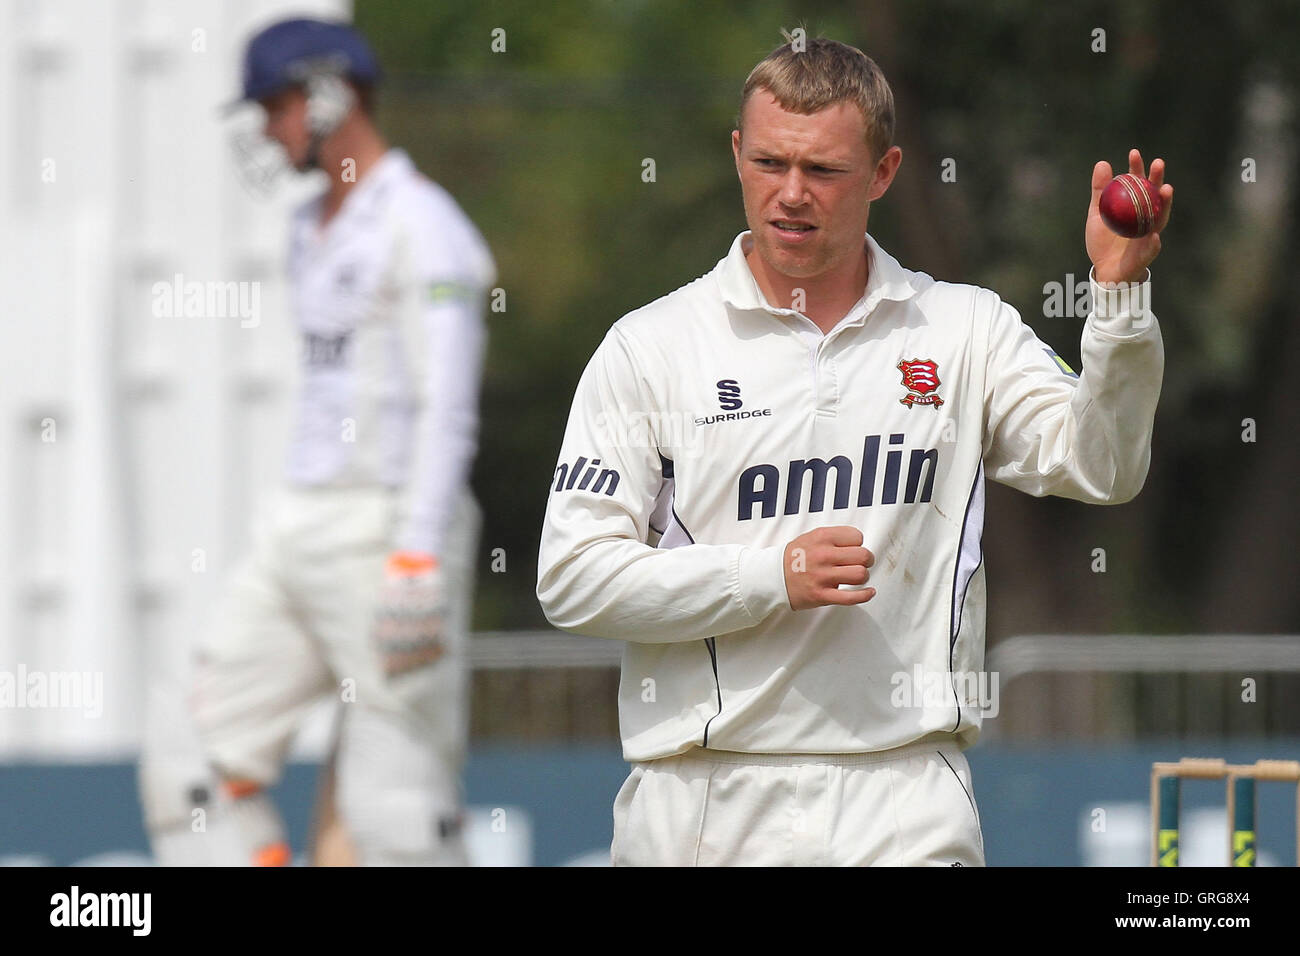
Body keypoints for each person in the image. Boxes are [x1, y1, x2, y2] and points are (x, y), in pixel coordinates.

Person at [536, 37, 1172, 866]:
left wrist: (1119, 301)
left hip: (904, 796)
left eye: (824, 171)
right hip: (702, 800)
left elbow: (1104, 467)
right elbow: (572, 576)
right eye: (769, 162)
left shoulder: (962, 328)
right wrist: (769, 577)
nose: (791, 194)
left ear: (883, 171)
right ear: (737, 154)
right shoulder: (650, 346)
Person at [144, 17, 494, 866]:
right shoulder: (310, 227)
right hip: (298, 524)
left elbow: (447, 402)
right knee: (188, 763)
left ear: (329, 91)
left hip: (389, 532)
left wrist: (416, 555)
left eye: (275, 105)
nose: (267, 129)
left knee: (393, 813)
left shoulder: (424, 223)